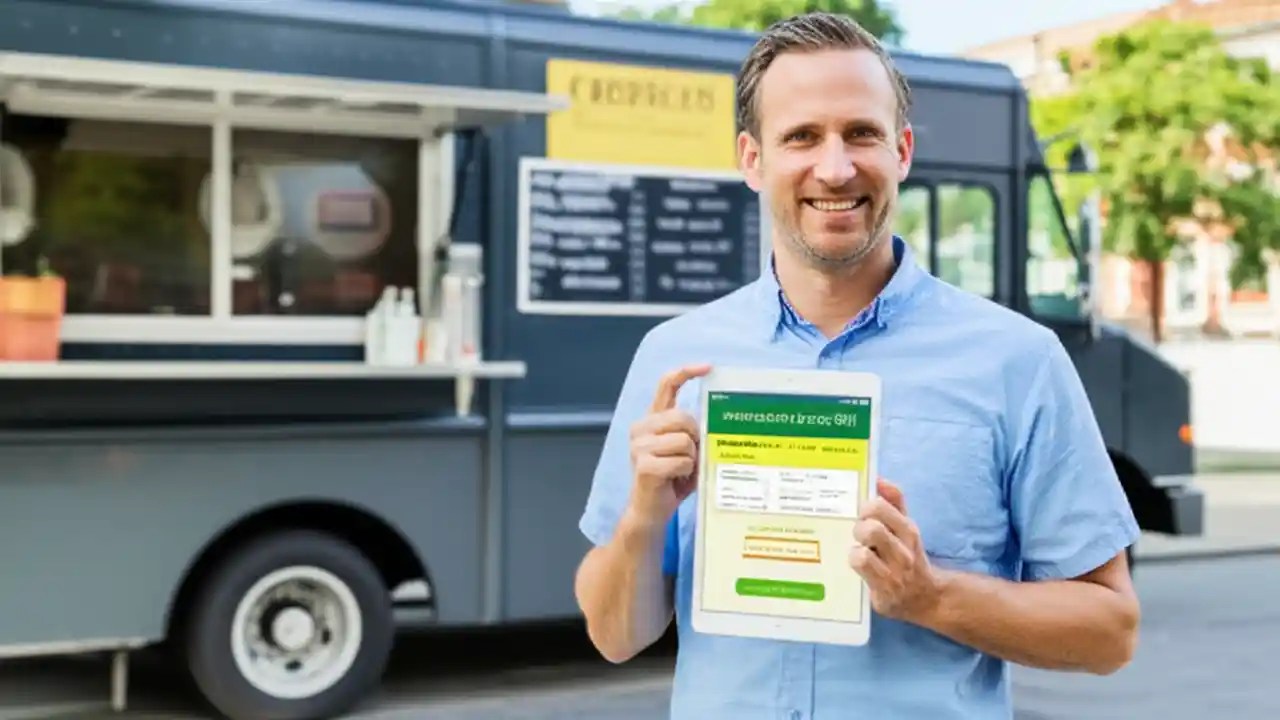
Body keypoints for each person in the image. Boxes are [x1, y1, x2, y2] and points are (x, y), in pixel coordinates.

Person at [574, 11, 1141, 719]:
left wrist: (932, 597)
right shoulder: (677, 360)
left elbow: (1109, 632)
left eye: (861, 134)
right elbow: (613, 635)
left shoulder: (1017, 361)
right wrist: (643, 517)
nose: (835, 168)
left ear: (901, 151)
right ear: (752, 160)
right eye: (802, 136)